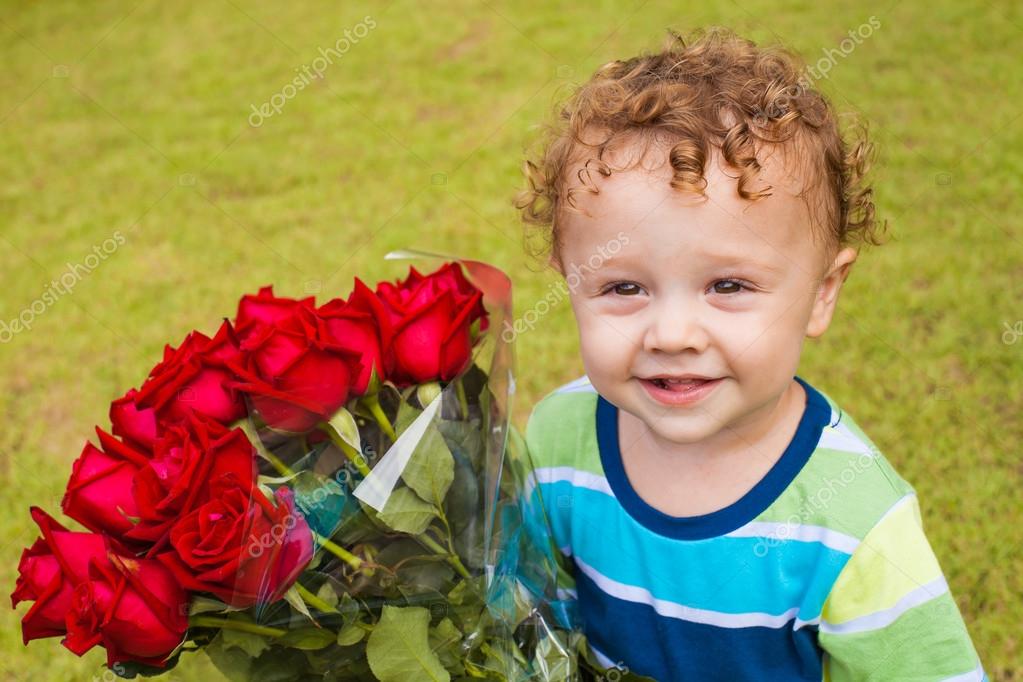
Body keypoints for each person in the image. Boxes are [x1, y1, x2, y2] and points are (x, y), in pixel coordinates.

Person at [515, 26, 985, 681]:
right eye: (623, 286)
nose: (671, 334)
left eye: (728, 285)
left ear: (821, 294)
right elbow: (532, 616)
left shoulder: (851, 519)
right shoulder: (559, 438)